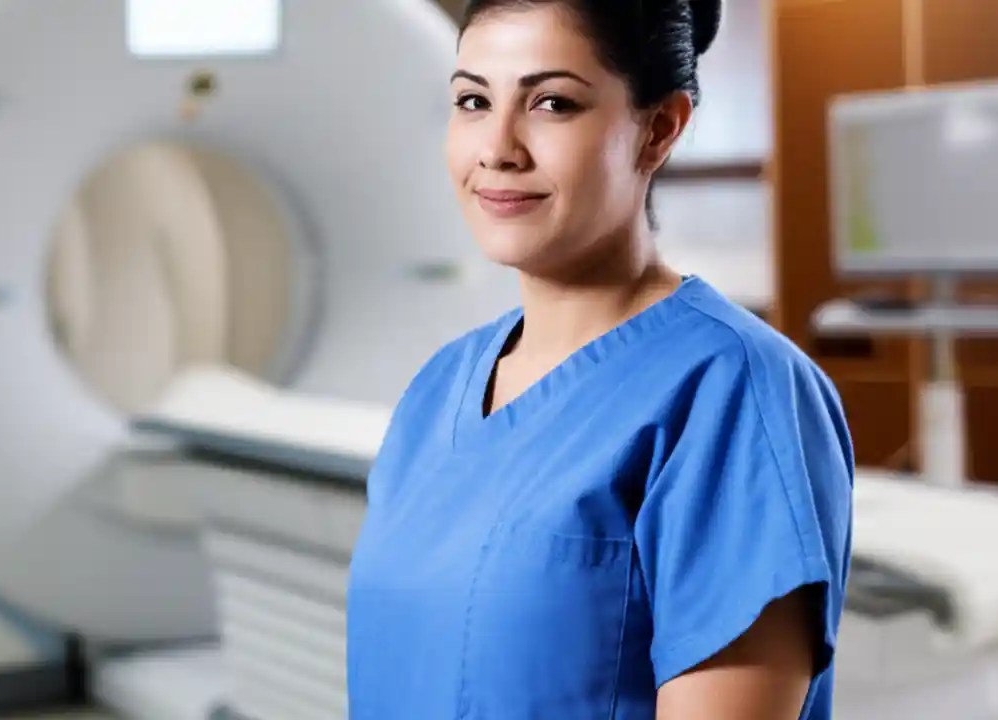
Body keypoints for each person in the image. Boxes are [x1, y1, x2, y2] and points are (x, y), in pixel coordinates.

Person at [344, 0, 854, 718]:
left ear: (659, 128)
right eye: (472, 101)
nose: (497, 148)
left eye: (552, 103)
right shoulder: (437, 389)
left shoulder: (734, 389)